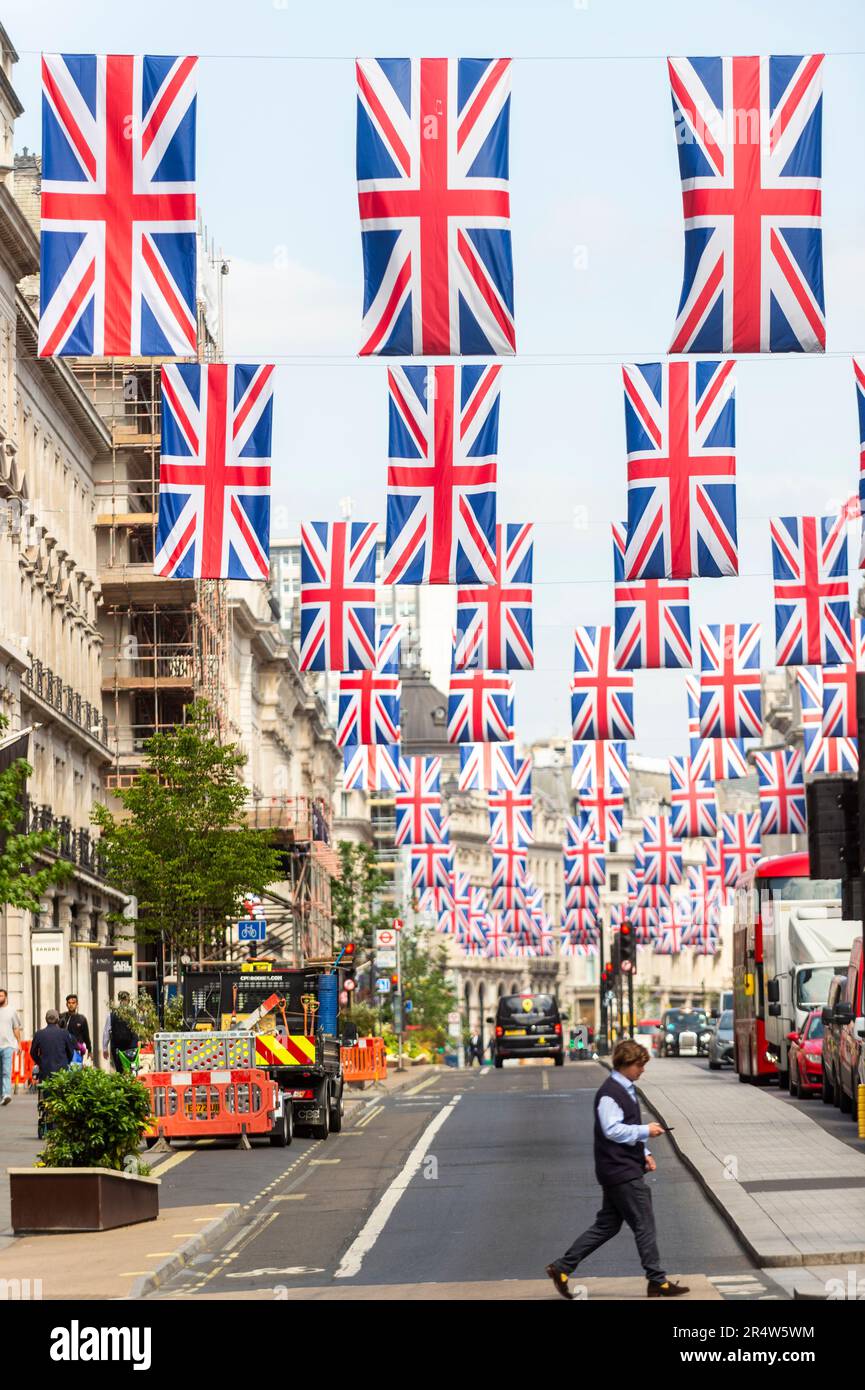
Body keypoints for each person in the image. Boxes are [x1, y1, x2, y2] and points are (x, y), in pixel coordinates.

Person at [545, 1039, 690, 1300]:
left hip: (619, 1167)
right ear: (625, 1064)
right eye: (639, 1065)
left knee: (607, 1225)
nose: (642, 1070)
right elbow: (612, 1130)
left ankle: (562, 1268)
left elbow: (627, 1126)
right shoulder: (610, 1093)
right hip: (620, 1170)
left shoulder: (626, 1088)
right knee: (644, 1224)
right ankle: (657, 1281)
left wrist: (644, 1152)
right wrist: (646, 1130)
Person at [30, 1010, 76, 1082]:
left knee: (46, 1092)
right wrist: (66, 1062)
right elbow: (71, 1052)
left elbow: (33, 1052)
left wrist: (40, 1062)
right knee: (60, 1092)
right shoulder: (64, 1033)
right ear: (57, 1019)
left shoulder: (39, 1034)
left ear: (46, 1019)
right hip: (61, 1071)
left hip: (45, 1070)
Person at [102, 992, 139, 1072]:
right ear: (129, 1000)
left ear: (119, 1000)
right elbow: (138, 1029)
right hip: (130, 1046)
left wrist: (105, 1048)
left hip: (118, 1046)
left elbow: (107, 1032)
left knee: (121, 1070)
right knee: (132, 1069)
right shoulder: (134, 1013)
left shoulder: (112, 1014)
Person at [0, 987, 22, 1106]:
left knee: (6, 1071)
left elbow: (16, 1028)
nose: (0, 998)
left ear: (6, 997)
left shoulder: (11, 1010)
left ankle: (6, 1094)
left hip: (8, 1045)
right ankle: (2, 1095)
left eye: (1, 996)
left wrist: (19, 1044)